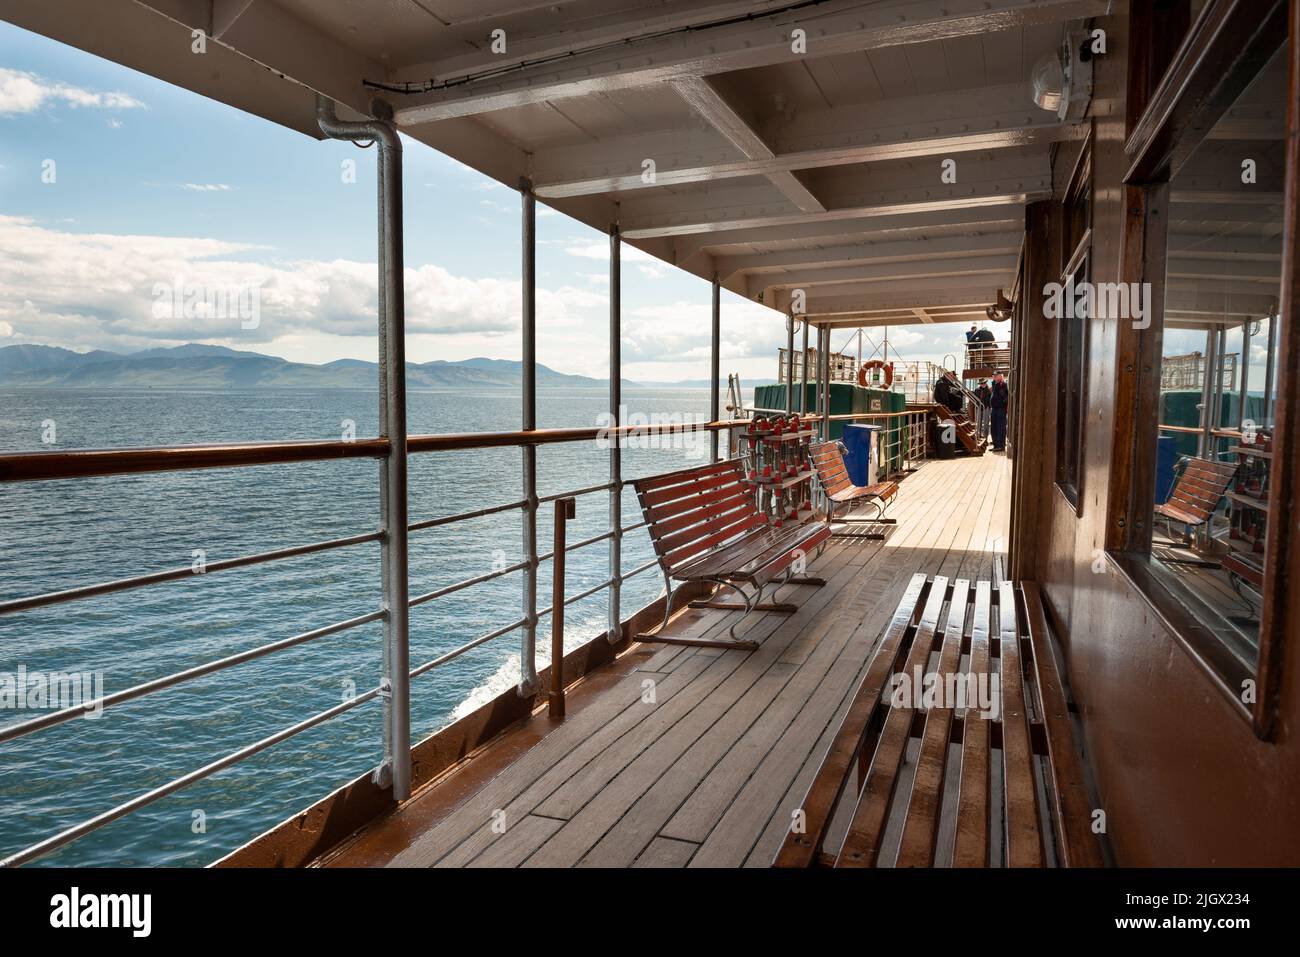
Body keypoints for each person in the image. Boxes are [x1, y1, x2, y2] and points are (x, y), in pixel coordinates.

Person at [990, 372, 1009, 452]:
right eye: (994, 376)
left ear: (1000, 377)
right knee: (993, 427)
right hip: (994, 409)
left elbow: (1007, 396)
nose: (994, 377)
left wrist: (1004, 404)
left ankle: (1001, 446)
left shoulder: (1003, 385)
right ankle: (996, 445)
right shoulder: (995, 384)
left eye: (995, 376)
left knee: (1000, 427)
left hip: (1000, 409)